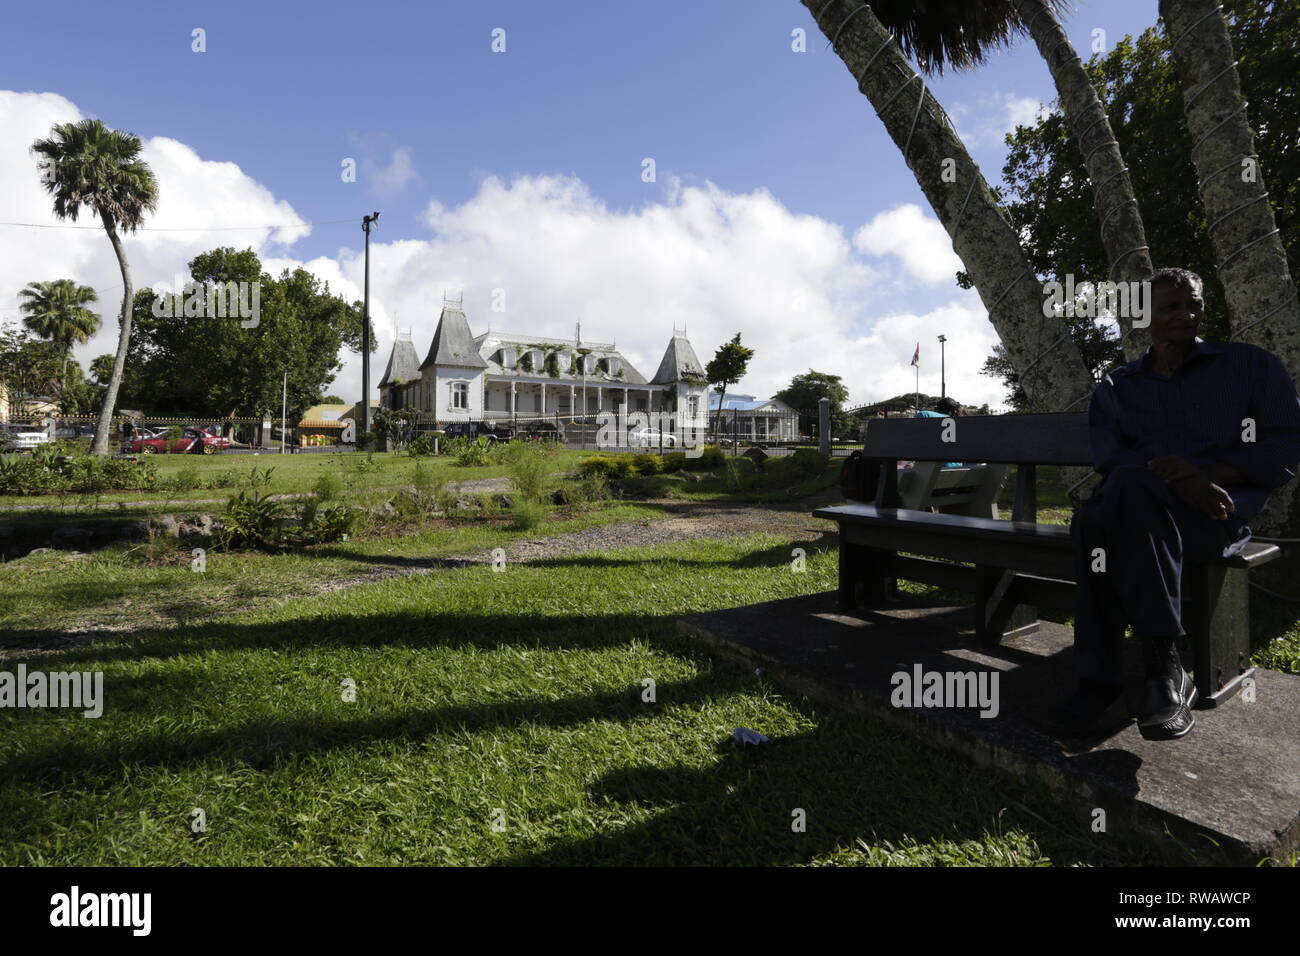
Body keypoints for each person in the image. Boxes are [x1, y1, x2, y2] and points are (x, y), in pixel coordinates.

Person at [1054, 267, 1300, 740]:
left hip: (1213, 518)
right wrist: (1178, 478)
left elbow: (1284, 444)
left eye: (1194, 305)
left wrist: (1202, 479)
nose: (1185, 316)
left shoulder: (1250, 366)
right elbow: (1112, 459)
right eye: (1170, 308)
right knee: (1119, 498)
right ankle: (1161, 668)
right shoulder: (1119, 385)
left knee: (1095, 522)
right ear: (1144, 317)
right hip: (1138, 517)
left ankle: (1107, 678)